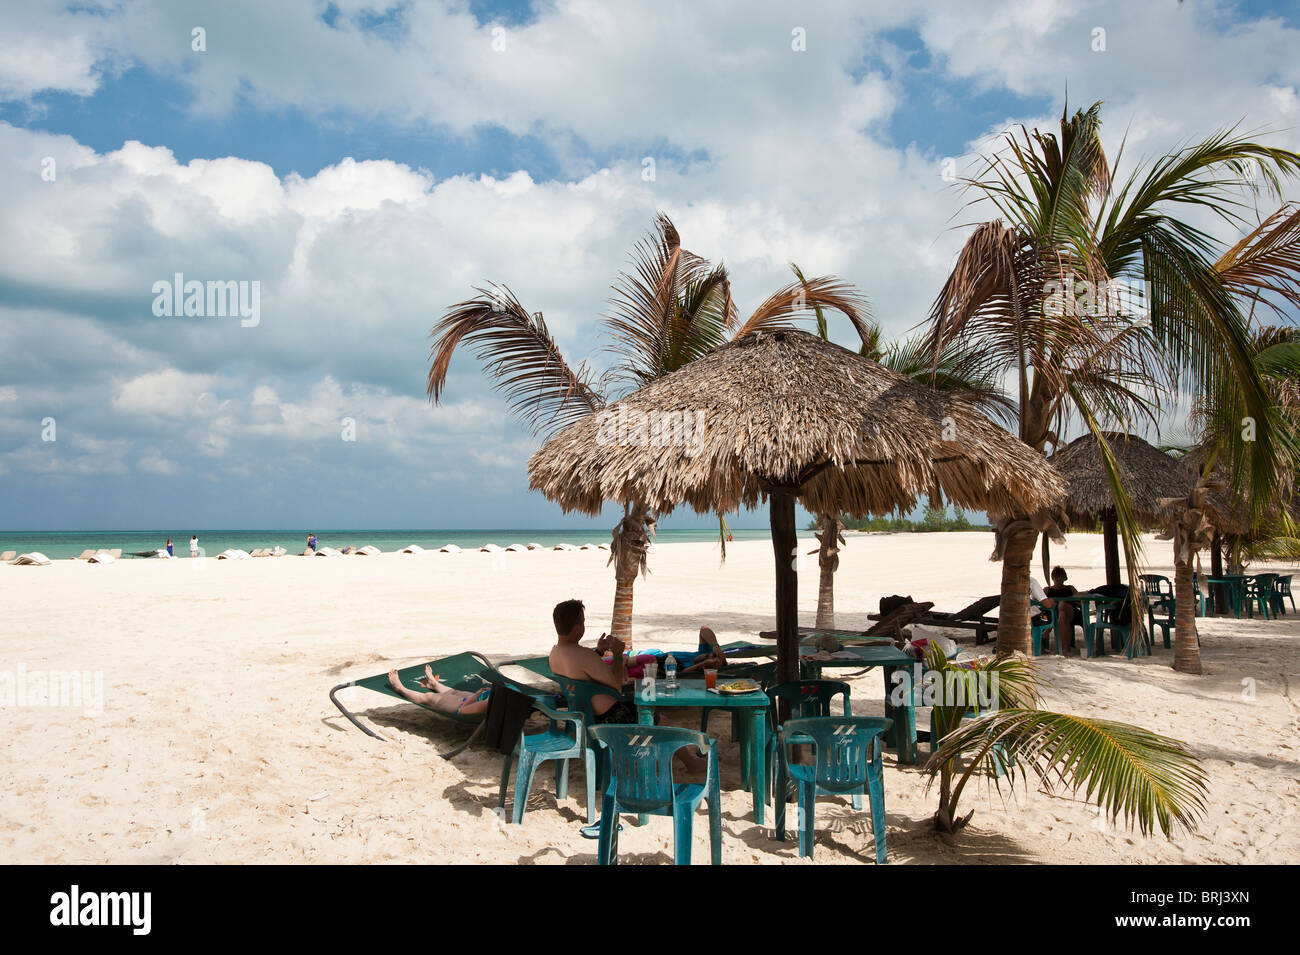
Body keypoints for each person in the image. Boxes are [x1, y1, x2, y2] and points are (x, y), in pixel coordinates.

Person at [548, 599, 708, 771]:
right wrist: (617, 655)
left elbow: (581, 672)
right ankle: (692, 763)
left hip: (583, 715)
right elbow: (617, 684)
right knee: (662, 721)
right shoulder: (584, 655)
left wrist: (599, 652)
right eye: (583, 622)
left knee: (653, 715)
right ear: (578, 628)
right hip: (608, 717)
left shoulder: (555, 653)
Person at [387, 665, 490, 717]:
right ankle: (434, 684)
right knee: (454, 692)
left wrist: (475, 696)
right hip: (481, 698)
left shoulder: (488, 704)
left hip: (465, 705)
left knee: (428, 697)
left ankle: (400, 688)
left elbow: (463, 709)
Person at [1044, 566, 1079, 656]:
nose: (1059, 581)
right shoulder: (1048, 590)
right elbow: (1040, 602)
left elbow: (1079, 601)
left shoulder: (1070, 588)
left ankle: (1048, 630)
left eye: (1061, 579)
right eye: (1057, 579)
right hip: (1055, 615)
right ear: (1053, 578)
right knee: (1062, 616)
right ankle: (1065, 648)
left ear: (1064, 578)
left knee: (1062, 605)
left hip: (1071, 612)